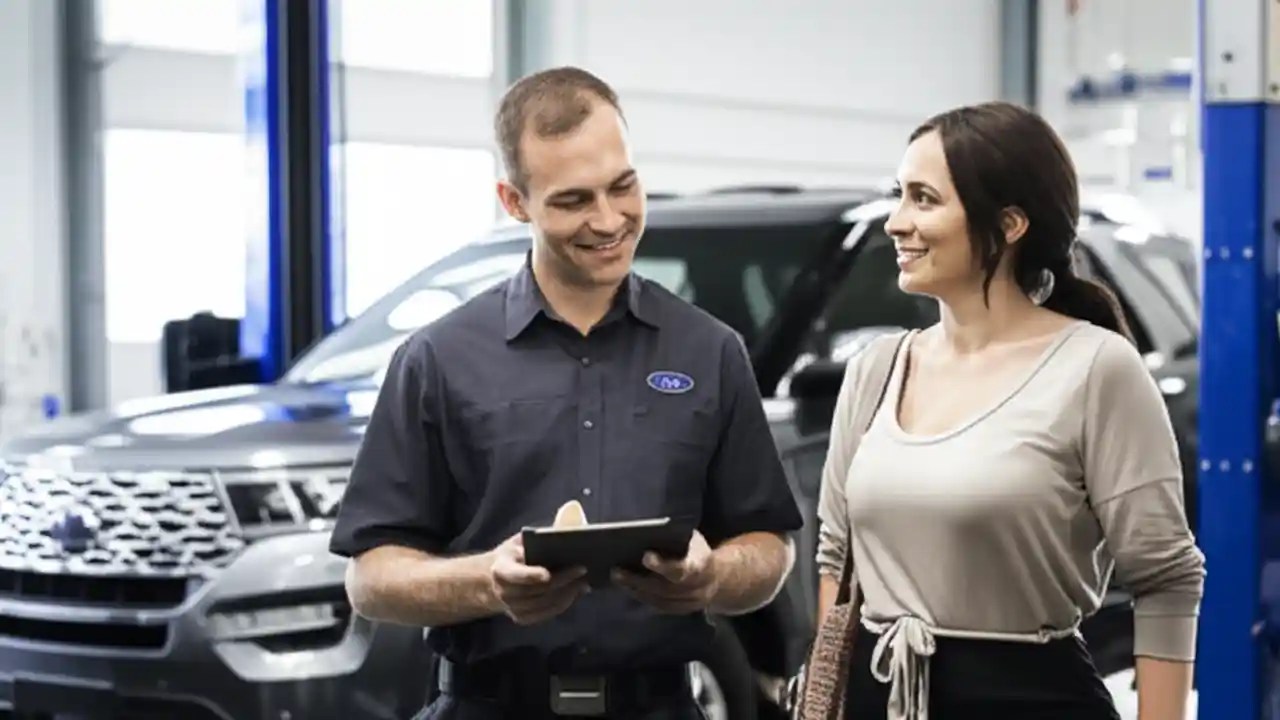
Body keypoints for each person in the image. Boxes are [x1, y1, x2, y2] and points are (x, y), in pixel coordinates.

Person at [329, 66, 803, 720]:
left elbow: (769, 548)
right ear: (514, 201)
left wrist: (713, 576)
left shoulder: (710, 352)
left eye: (623, 186)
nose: (609, 220)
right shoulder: (436, 360)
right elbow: (371, 579)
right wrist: (487, 582)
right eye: (574, 201)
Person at [813, 101, 1206, 720]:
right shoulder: (876, 370)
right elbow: (836, 557)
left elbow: (1166, 579)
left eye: (923, 199)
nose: (895, 222)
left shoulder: (1096, 368)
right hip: (879, 697)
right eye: (899, 195)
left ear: (1010, 224)